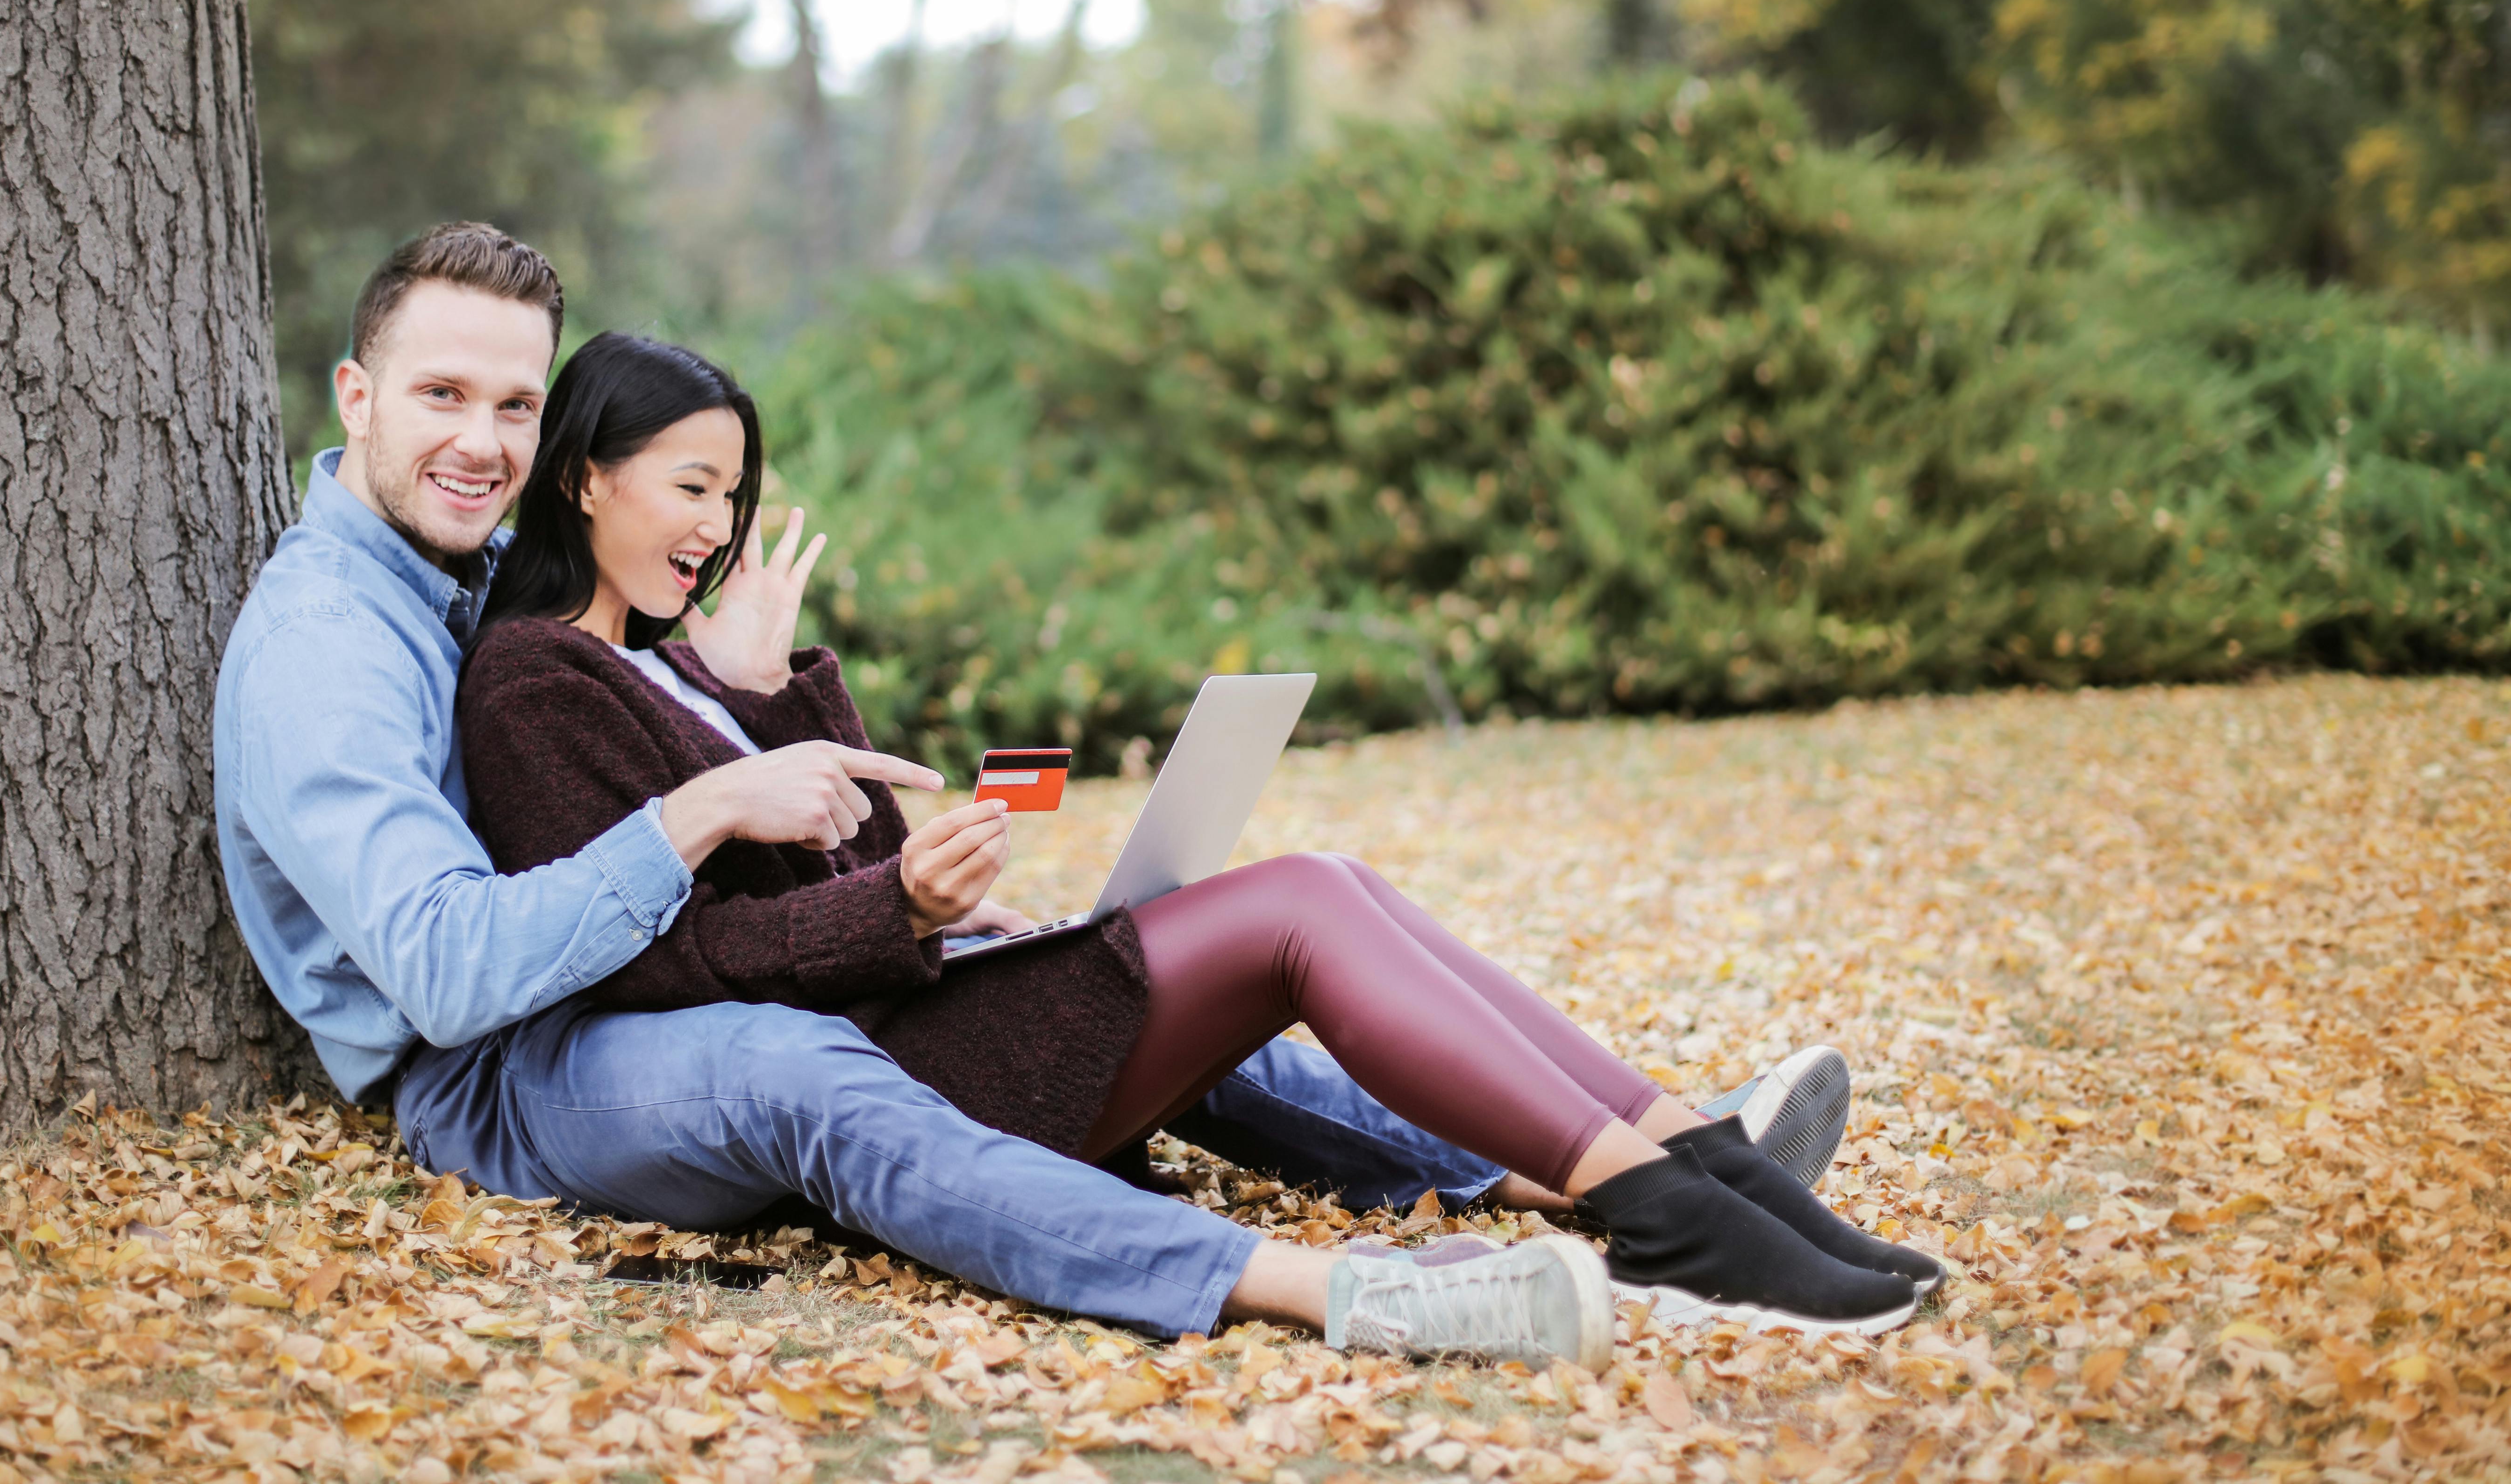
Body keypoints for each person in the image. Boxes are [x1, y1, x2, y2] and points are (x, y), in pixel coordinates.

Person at [217, 222, 1620, 1371]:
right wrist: (706, 814)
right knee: (790, 1065)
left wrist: (756, 694)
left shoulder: (463, 564)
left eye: (514, 404)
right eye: (440, 397)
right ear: (354, 398)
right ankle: (1338, 1293)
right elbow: (456, 976)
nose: (484, 442)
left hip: (614, 987)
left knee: (1075, 963)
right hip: (497, 1074)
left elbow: (667, 763)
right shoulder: (327, 650)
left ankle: (1569, 1165)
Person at [450, 329, 1944, 1335]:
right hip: (900, 1089)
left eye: (735, 491)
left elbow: (826, 865)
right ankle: (1673, 1211)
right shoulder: (534, 682)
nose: (716, 524)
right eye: (692, 487)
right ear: (588, 478)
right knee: (1297, 903)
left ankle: (1692, 1165)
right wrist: (895, 909)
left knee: (1332, 881)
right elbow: (647, 967)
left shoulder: (674, 665)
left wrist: (767, 694)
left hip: (928, 1015)